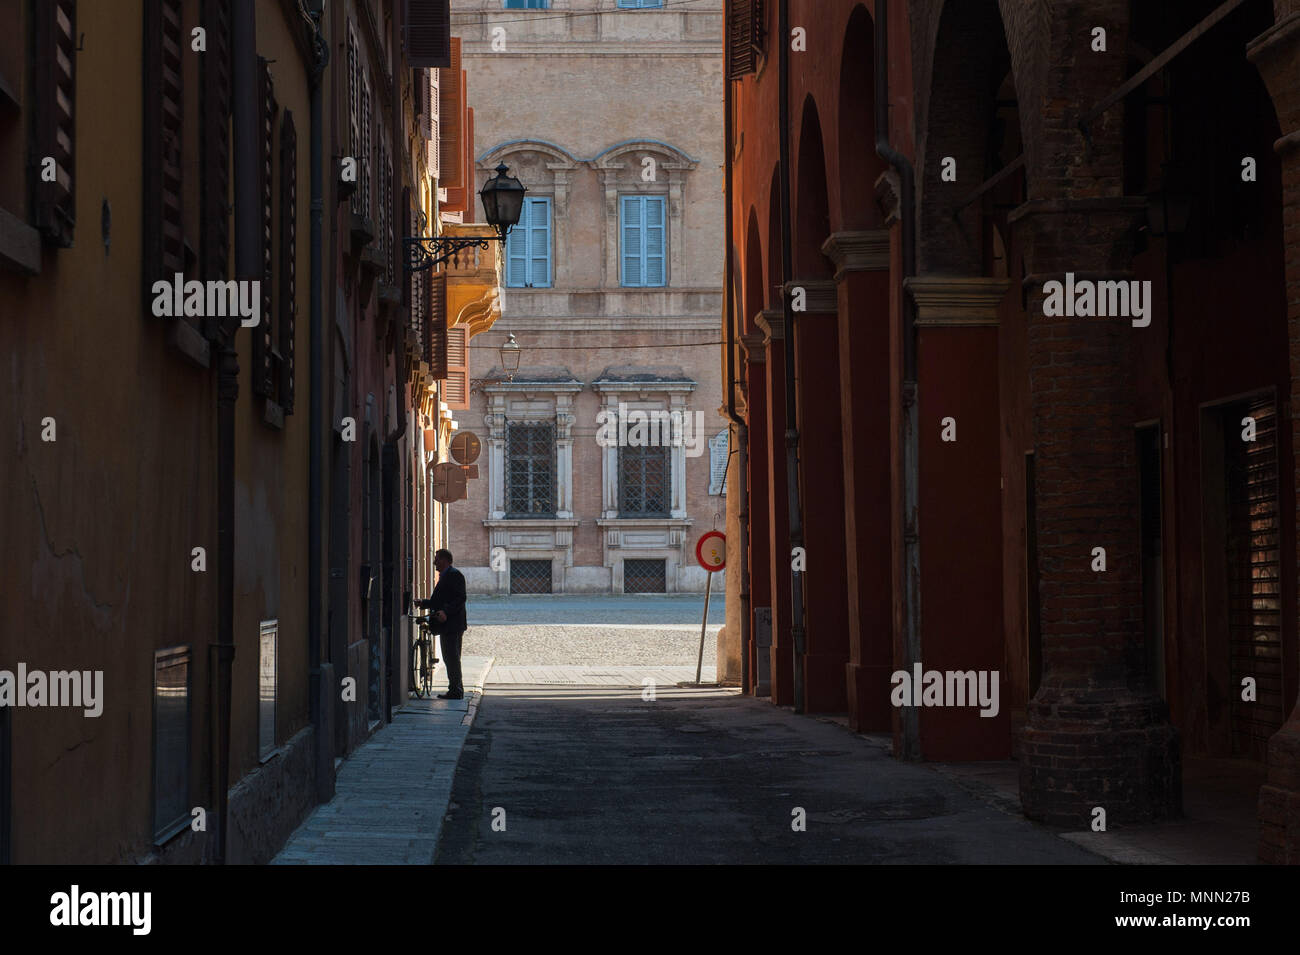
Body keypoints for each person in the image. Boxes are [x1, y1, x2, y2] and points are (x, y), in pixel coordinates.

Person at [417, 548, 467, 700]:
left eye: (437, 559)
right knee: (450, 657)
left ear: (445, 560)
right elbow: (440, 600)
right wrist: (424, 603)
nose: (434, 562)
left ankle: (456, 690)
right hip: (447, 624)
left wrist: (446, 612)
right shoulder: (445, 576)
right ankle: (456, 688)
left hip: (452, 624)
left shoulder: (455, 575)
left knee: (451, 657)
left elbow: (460, 598)